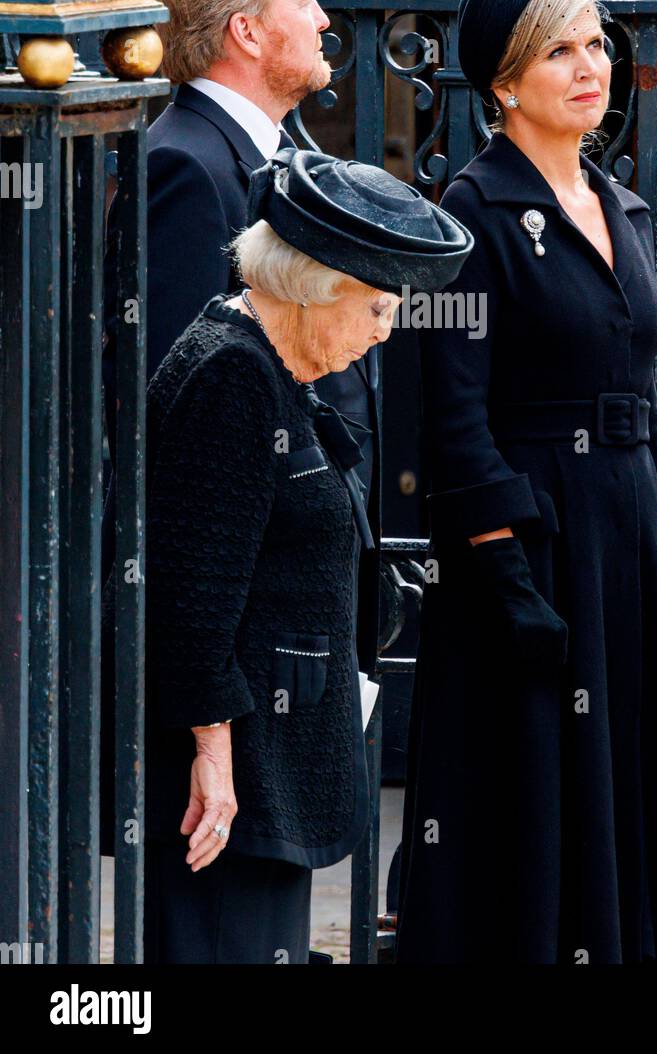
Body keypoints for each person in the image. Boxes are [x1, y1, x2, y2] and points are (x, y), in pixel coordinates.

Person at [395, 0, 657, 965]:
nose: (590, 67)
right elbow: (451, 417)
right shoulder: (469, 211)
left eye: (595, 44)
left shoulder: (623, 205)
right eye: (559, 51)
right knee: (540, 800)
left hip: (627, 537)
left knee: (639, 789)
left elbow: (640, 389)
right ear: (503, 82)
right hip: (535, 553)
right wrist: (505, 569)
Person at [128, 147, 472, 963]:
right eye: (377, 308)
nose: (384, 333)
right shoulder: (232, 375)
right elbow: (191, 593)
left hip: (273, 765)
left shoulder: (270, 368)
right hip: (234, 784)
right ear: (317, 290)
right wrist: (214, 759)